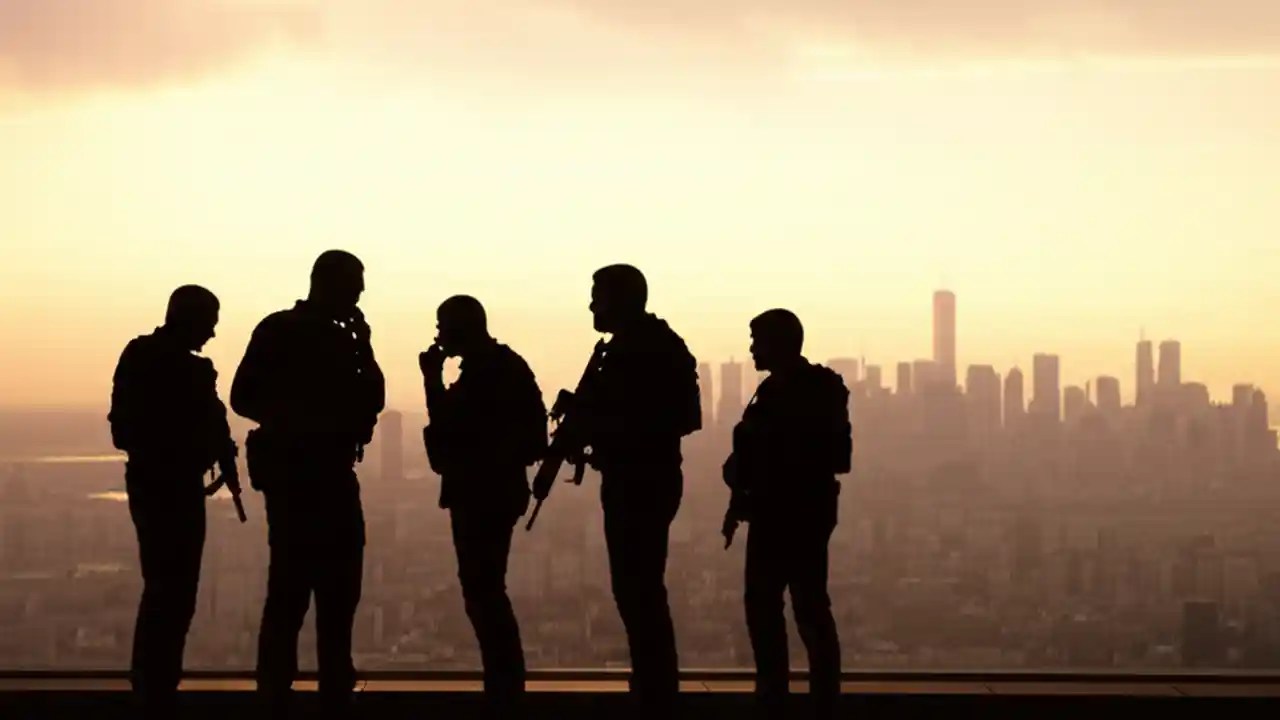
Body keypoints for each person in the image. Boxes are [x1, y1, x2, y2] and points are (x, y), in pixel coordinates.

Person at [230, 250, 385, 718]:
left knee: (307, 593)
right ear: (331, 283)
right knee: (306, 594)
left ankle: (286, 692)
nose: (360, 294)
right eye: (355, 283)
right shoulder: (284, 330)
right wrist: (307, 421)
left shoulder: (316, 335)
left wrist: (363, 346)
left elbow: (371, 401)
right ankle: (294, 693)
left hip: (319, 478)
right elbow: (244, 397)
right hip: (306, 479)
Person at [108, 285, 238, 719]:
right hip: (164, 485)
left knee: (173, 589)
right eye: (209, 323)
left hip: (169, 484)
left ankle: (157, 684)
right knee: (170, 588)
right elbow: (126, 431)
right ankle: (154, 686)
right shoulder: (156, 361)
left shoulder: (170, 364)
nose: (212, 334)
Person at [577, 264, 701, 714]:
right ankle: (652, 683)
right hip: (632, 478)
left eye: (599, 295)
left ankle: (656, 689)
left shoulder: (655, 347)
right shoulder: (627, 348)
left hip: (643, 481)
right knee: (635, 589)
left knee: (641, 589)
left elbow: (682, 416)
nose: (592, 305)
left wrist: (604, 423)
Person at [420, 295, 546, 713]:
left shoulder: (487, 373)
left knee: (484, 591)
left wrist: (431, 382)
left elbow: (447, 432)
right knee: (485, 590)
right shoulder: (504, 367)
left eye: (443, 325)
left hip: (482, 495)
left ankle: (504, 687)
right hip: (491, 492)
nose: (438, 334)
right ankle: (505, 685)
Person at [722, 309, 850, 720]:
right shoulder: (775, 390)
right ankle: (783, 694)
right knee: (775, 607)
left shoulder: (811, 390)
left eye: (758, 340)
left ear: (779, 343)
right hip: (775, 512)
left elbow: (829, 455)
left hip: (794, 513)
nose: (752, 348)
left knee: (802, 607)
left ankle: (803, 699)